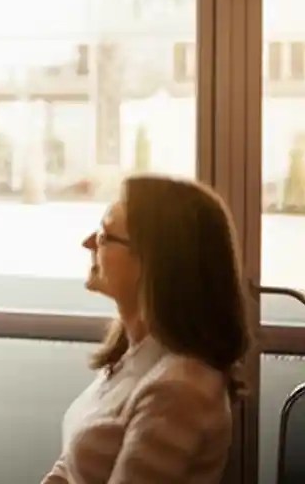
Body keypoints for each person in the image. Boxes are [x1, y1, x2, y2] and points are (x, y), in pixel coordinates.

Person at [43, 176, 252, 483]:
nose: (88, 242)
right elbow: (70, 467)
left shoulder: (179, 389)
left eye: (104, 234)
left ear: (151, 262)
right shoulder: (135, 358)